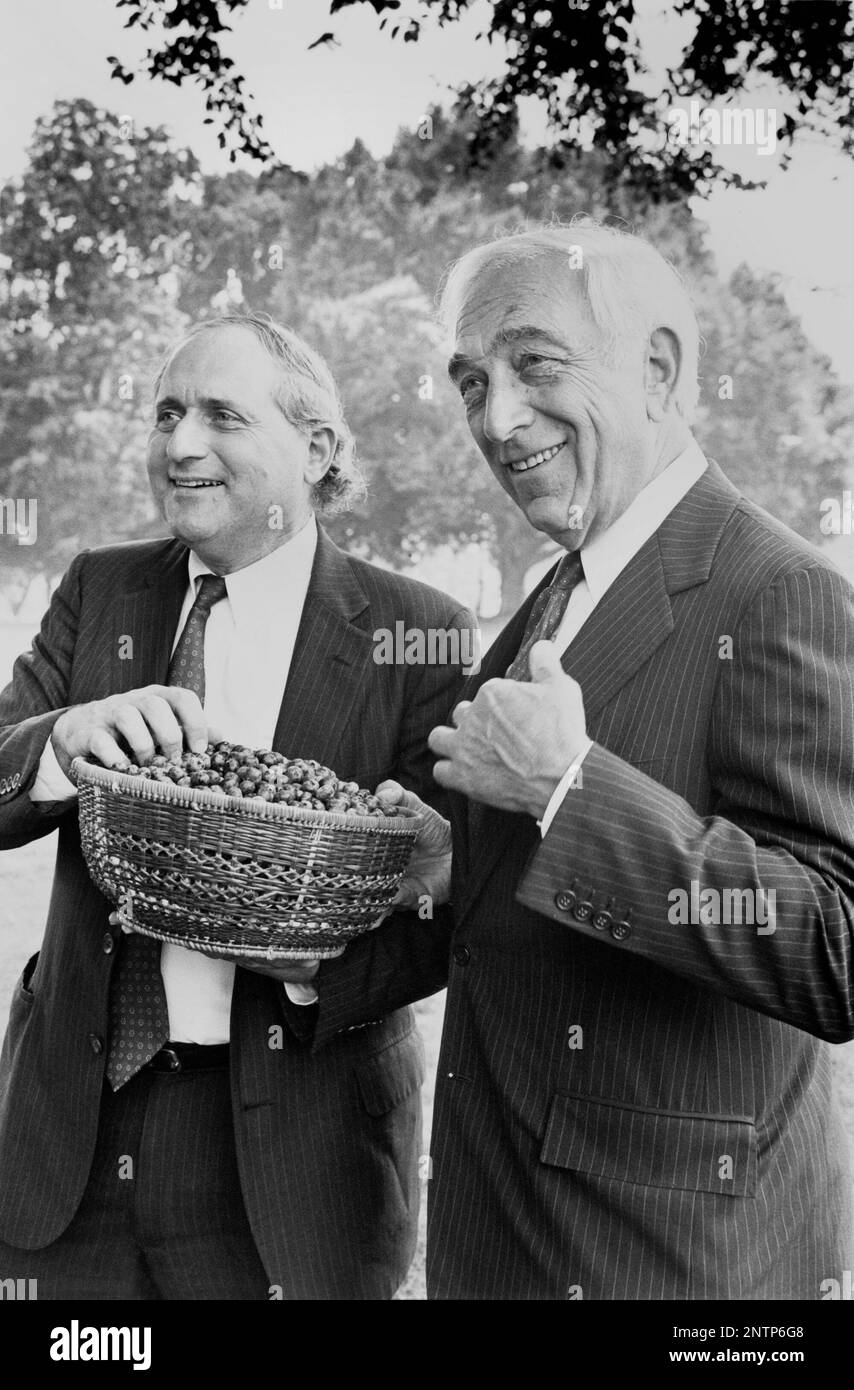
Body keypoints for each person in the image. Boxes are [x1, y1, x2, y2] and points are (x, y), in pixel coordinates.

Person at [313, 220, 854, 1299]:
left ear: (656, 369)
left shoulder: (780, 592)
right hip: (504, 1243)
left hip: (670, 1268)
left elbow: (834, 947)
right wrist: (449, 866)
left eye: (533, 366)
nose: (496, 418)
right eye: (469, 383)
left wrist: (569, 789)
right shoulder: (551, 597)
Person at [0, 311, 472, 1300]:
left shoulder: (417, 632)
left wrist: (308, 973)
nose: (178, 444)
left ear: (315, 449)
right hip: (70, 1140)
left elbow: (444, 903)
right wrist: (58, 743)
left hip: (294, 1159)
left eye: (220, 414)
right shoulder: (99, 588)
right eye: (166, 413)